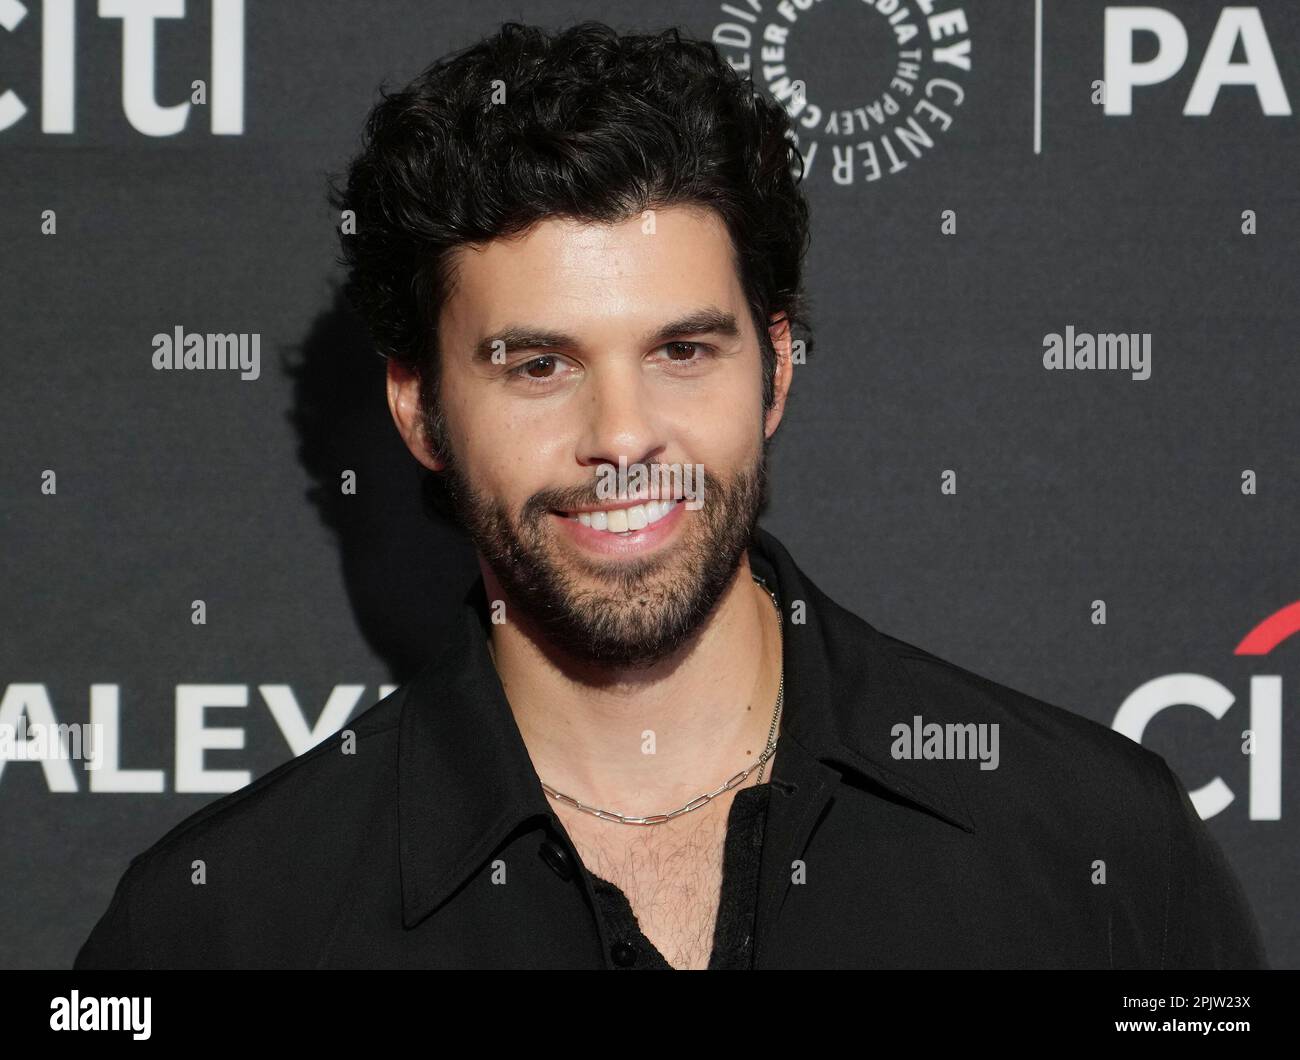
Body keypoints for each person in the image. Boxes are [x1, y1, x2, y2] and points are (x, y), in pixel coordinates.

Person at [75, 20, 1266, 970]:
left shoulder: (1093, 848)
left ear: (778, 366)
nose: (624, 435)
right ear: (418, 411)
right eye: (537, 365)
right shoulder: (229, 925)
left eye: (683, 351)